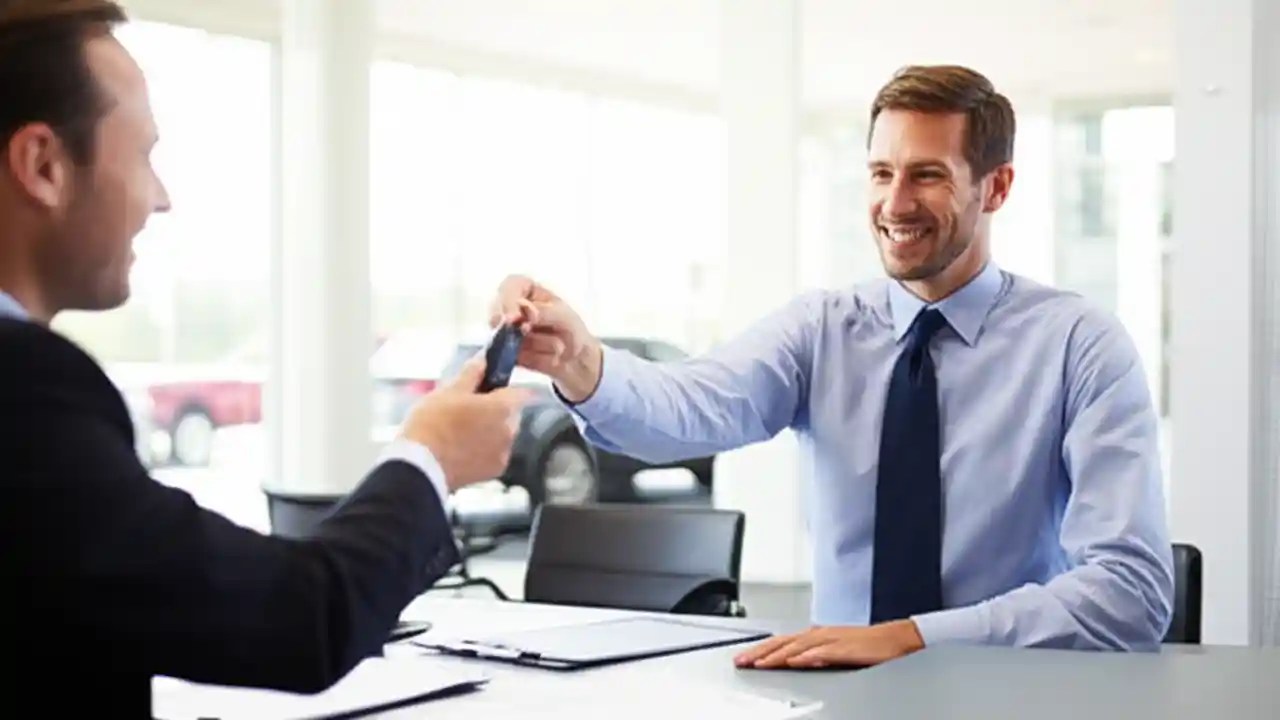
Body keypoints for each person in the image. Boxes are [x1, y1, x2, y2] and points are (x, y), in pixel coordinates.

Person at [493, 64, 1174, 669]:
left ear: (995, 188)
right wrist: (580, 359)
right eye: (881, 173)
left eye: (927, 175)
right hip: (839, 692)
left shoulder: (1080, 345)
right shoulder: (822, 329)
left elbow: (1130, 594)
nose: (895, 203)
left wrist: (914, 636)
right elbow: (688, 409)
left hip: (1008, 693)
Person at [0, 1, 530, 714]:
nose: (160, 199)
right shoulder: (28, 389)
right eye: (144, 155)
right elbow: (300, 618)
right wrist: (431, 456)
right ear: (43, 165)